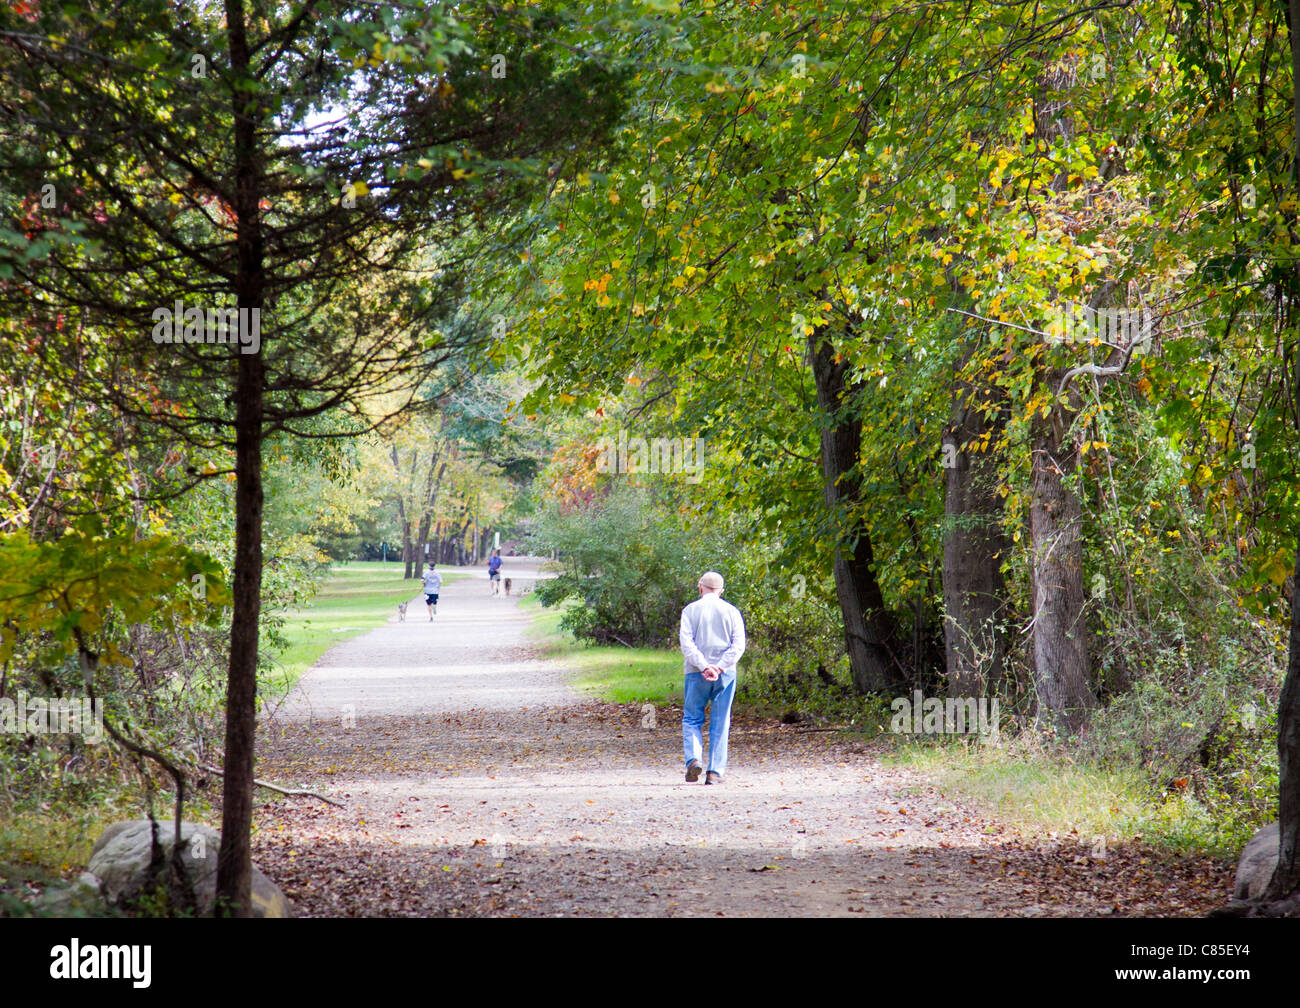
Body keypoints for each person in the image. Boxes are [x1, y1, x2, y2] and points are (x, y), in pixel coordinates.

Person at [679, 571, 746, 784]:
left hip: (695, 672)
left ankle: (693, 759)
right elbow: (738, 646)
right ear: (721, 591)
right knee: (720, 720)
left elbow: (687, 644)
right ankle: (714, 772)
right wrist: (718, 666)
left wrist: (704, 665)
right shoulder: (732, 611)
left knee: (692, 718)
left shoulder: (690, 611)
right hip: (725, 674)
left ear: (700, 587)